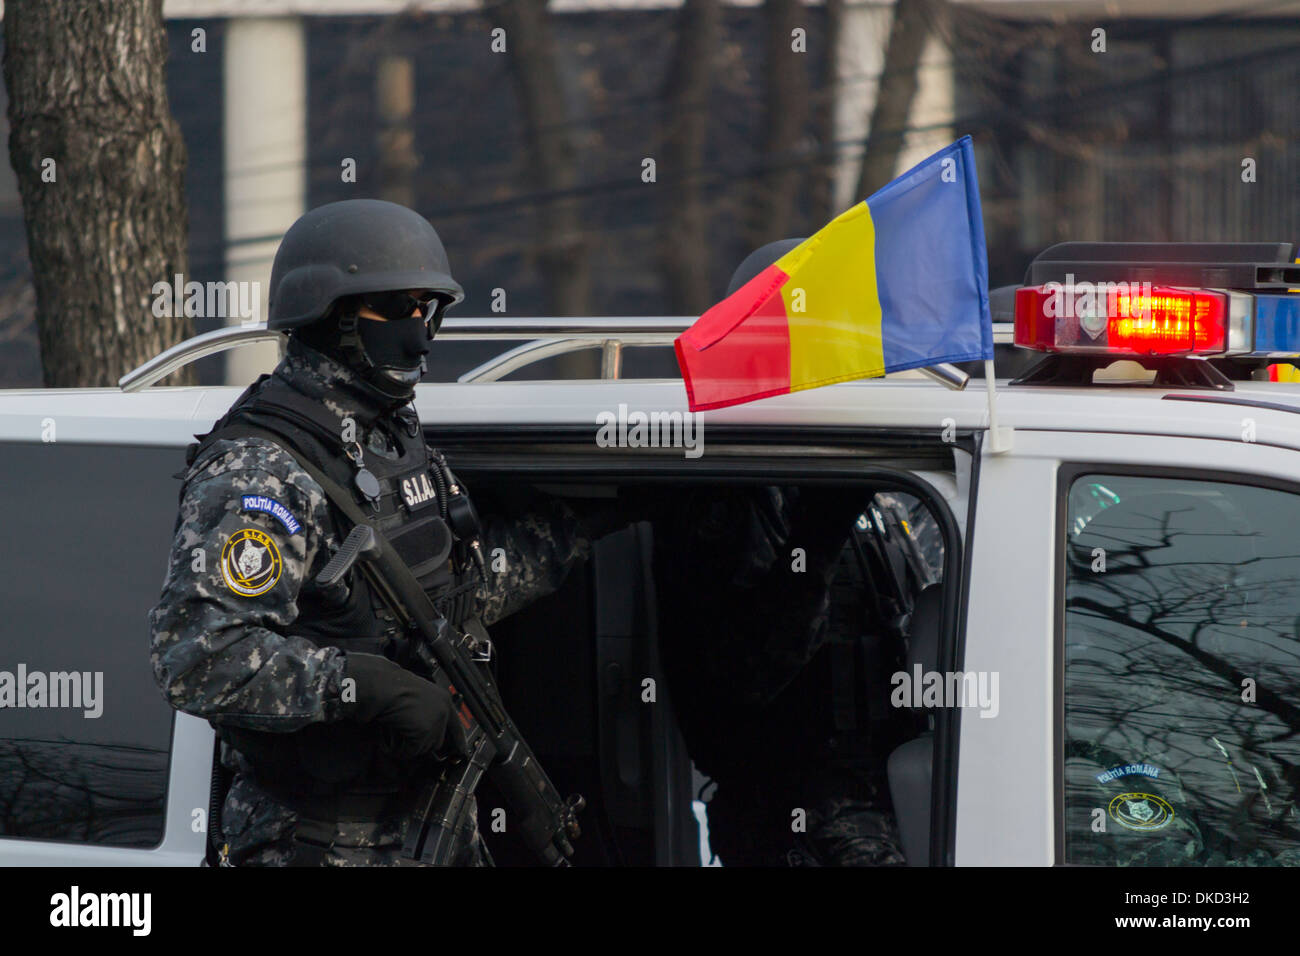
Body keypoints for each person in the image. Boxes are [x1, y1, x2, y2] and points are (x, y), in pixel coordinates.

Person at [149, 199, 616, 866]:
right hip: (316, 841)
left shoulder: (392, 438)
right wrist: (362, 686)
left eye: (428, 310)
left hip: (428, 830)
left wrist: (588, 526)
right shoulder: (264, 469)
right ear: (333, 314)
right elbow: (197, 659)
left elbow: (459, 588)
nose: (419, 331)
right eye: (398, 308)